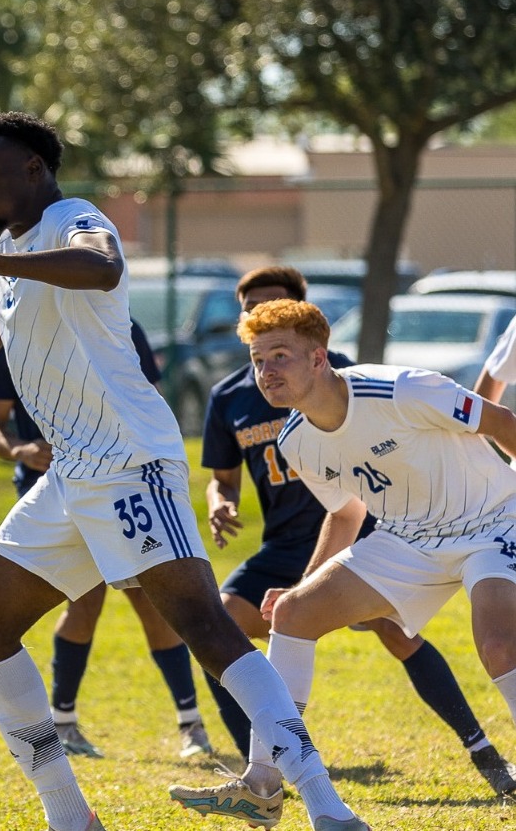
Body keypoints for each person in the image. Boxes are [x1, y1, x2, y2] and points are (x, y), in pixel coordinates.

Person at [0, 111, 364, 831]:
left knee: (206, 624)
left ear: (34, 171)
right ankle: (71, 819)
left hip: (130, 458)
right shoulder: (9, 251)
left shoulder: (75, 219)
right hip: (72, 473)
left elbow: (101, 266)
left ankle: (327, 809)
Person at [202, 266, 516, 794]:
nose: (267, 372)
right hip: (408, 539)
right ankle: (263, 783)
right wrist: (302, 586)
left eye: (280, 357)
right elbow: (346, 514)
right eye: (259, 361)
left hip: (493, 522)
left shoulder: (403, 388)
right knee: (294, 614)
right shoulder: (297, 440)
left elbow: (504, 423)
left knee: (501, 647)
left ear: (319, 357)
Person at [0, 323, 213, 762]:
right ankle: (63, 722)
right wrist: (19, 450)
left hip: (118, 481)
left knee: (151, 596)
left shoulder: (112, 319)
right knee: (83, 600)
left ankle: (190, 723)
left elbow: (149, 399)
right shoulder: (13, 324)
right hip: (51, 489)